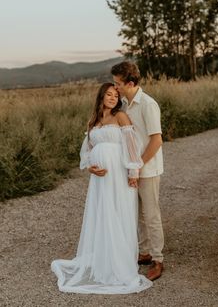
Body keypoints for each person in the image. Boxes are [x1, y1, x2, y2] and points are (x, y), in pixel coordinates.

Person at [51, 83, 152, 294]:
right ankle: (104, 262)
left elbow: (131, 145)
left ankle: (119, 264)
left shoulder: (121, 117)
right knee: (102, 215)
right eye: (109, 94)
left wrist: (133, 172)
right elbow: (87, 149)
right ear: (101, 97)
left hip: (118, 174)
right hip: (99, 179)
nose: (113, 98)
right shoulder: (93, 121)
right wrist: (90, 166)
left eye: (116, 95)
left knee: (118, 212)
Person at [111, 61, 164, 281]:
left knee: (151, 215)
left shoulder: (147, 104)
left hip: (148, 169)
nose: (115, 88)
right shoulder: (123, 104)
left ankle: (158, 259)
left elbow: (156, 140)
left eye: (118, 84)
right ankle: (144, 252)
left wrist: (139, 165)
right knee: (136, 213)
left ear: (130, 83)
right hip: (131, 169)